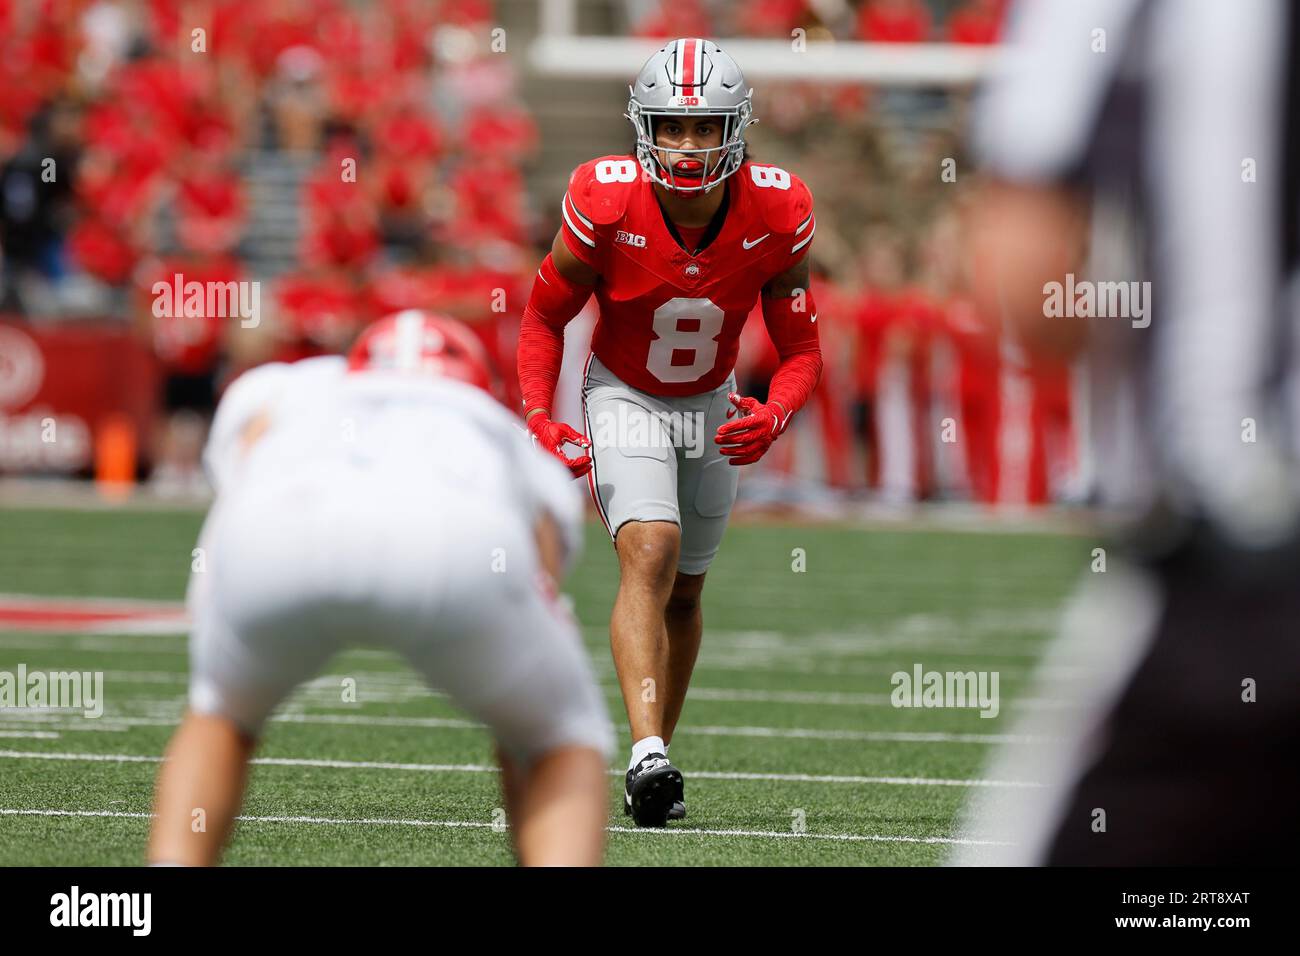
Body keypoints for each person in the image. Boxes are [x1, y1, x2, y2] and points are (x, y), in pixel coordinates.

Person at [148, 310, 614, 866]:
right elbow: (546, 562)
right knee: (560, 738)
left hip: (280, 528)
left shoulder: (298, 387)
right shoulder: (495, 428)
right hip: (454, 539)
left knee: (219, 712)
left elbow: (240, 456)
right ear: (474, 383)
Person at [516, 38, 823, 826]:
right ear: (642, 127)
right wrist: (540, 416)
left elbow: (801, 350)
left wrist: (775, 411)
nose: (689, 145)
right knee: (649, 548)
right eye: (673, 128)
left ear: (738, 130)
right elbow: (545, 313)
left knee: (686, 590)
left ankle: (654, 759)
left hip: (712, 397)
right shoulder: (605, 200)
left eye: (707, 128)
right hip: (624, 392)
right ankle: (647, 749)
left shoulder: (779, 208)